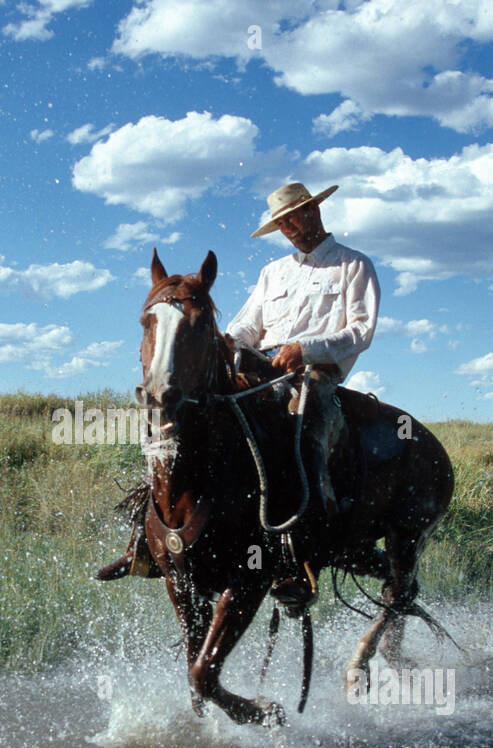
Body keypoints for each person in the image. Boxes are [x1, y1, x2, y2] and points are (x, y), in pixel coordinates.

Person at [97, 182, 380, 586]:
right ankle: (146, 540)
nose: (289, 228)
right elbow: (247, 324)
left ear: (314, 212)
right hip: (262, 364)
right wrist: (233, 344)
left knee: (305, 426)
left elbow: (361, 331)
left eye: (294, 217)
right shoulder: (274, 272)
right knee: (192, 418)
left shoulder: (354, 266)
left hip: (315, 371)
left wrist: (306, 349)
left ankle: (303, 549)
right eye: (282, 222)